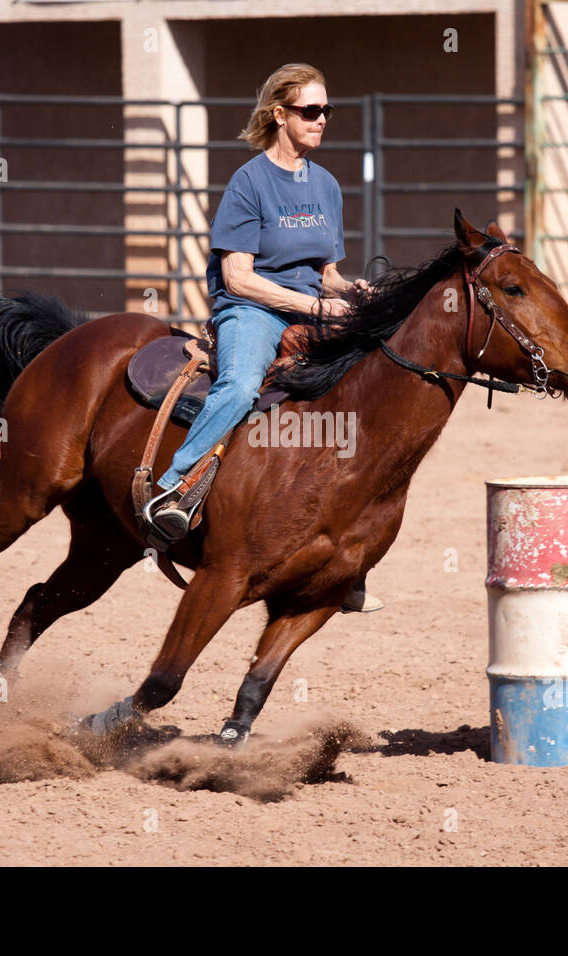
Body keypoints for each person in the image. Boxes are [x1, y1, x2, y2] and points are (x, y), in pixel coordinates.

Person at [148, 62, 382, 613]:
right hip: (253, 308)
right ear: (279, 114)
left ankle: (348, 550)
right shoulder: (249, 182)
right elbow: (238, 276)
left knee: (372, 388)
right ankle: (176, 488)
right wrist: (314, 306)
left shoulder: (324, 183)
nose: (321, 119)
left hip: (312, 306)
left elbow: (325, 272)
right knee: (240, 385)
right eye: (309, 110)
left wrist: (352, 292)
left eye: (327, 110)